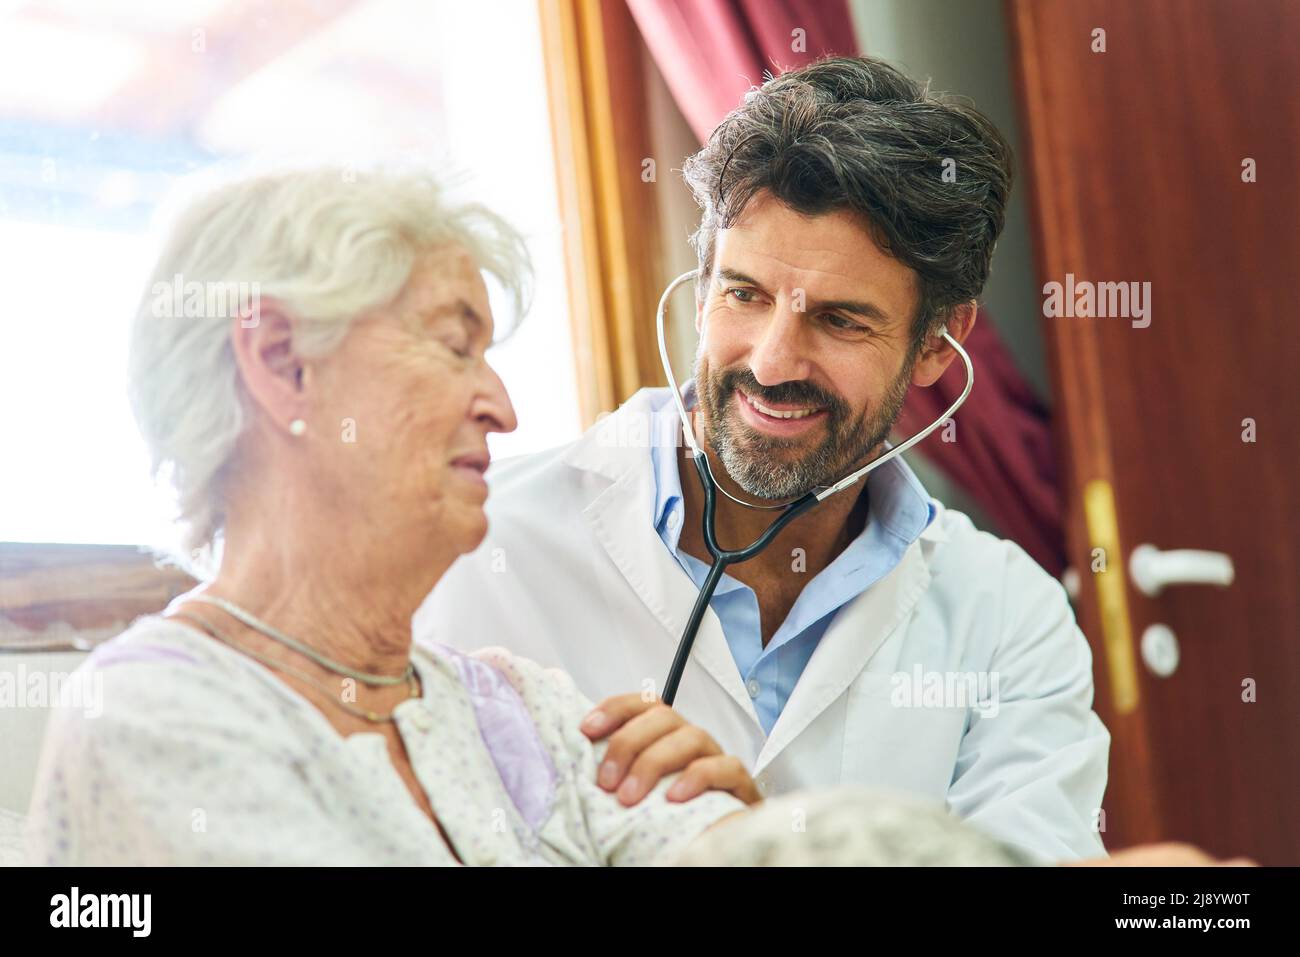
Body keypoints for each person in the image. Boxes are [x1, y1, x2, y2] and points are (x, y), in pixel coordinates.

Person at [416, 55, 1109, 862]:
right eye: (744, 294)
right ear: (702, 281)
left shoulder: (1005, 617)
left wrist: (765, 849)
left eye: (842, 321)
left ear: (932, 347)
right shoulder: (476, 547)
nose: (775, 362)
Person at [25, 166, 754, 866]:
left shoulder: (521, 704)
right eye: (453, 344)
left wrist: (755, 834)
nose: (503, 408)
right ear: (283, 362)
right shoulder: (153, 715)